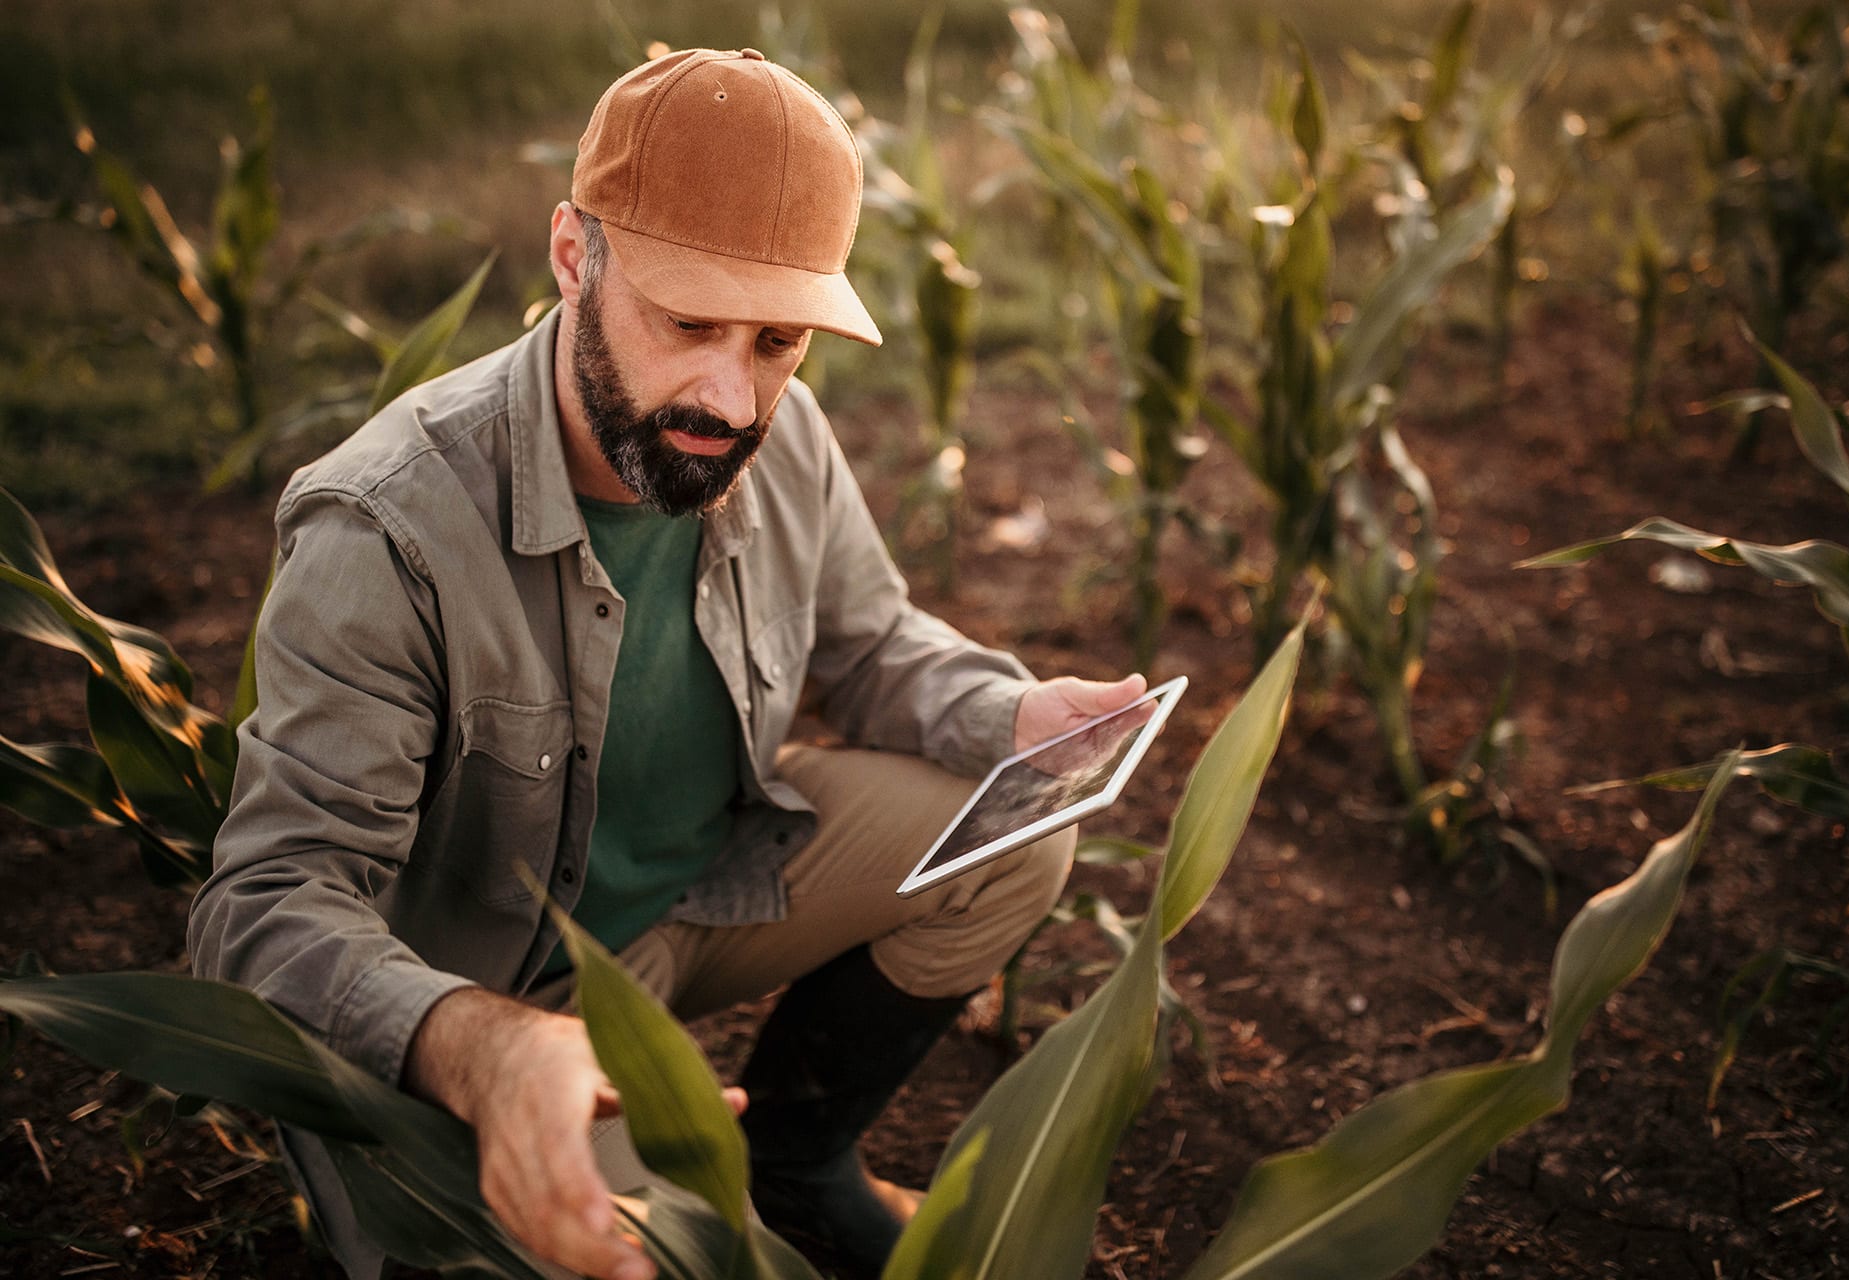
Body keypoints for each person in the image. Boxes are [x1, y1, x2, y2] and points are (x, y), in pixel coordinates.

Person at [187, 46, 1144, 1280]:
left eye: (778, 339)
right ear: (573, 254)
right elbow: (263, 903)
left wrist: (1012, 713)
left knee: (1023, 827)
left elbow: (872, 644)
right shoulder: (388, 528)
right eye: (688, 320)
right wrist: (480, 1045)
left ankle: (799, 1163)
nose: (730, 395)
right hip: (502, 1005)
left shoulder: (776, 431)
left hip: (708, 894)